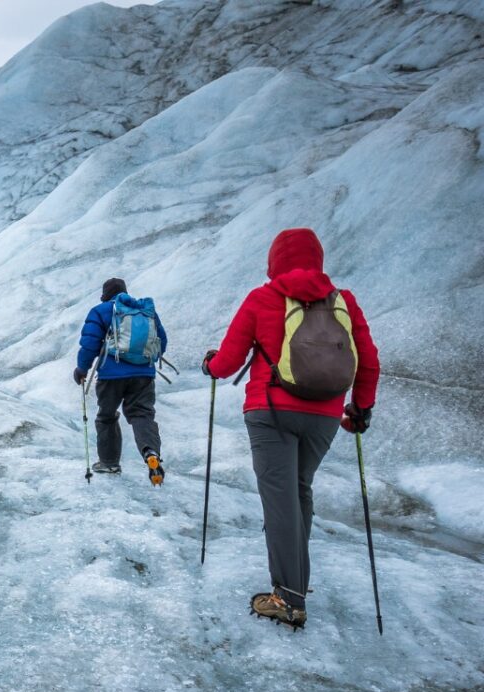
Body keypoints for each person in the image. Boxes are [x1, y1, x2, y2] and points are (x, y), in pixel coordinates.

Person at [203, 227, 379, 629]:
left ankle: (288, 598)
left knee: (280, 499)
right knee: (299, 490)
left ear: (274, 261)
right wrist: (361, 409)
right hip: (324, 416)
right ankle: (294, 581)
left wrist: (210, 365)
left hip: (271, 412)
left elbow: (227, 362)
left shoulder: (262, 298)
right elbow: (368, 361)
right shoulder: (344, 302)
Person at [74, 277, 167, 483]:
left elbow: (90, 344)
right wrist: (143, 362)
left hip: (111, 375)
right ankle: (151, 452)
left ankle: (109, 463)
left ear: (105, 295)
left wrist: (82, 368)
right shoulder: (145, 312)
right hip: (144, 375)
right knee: (142, 415)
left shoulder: (101, 311)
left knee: (106, 416)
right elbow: (162, 342)